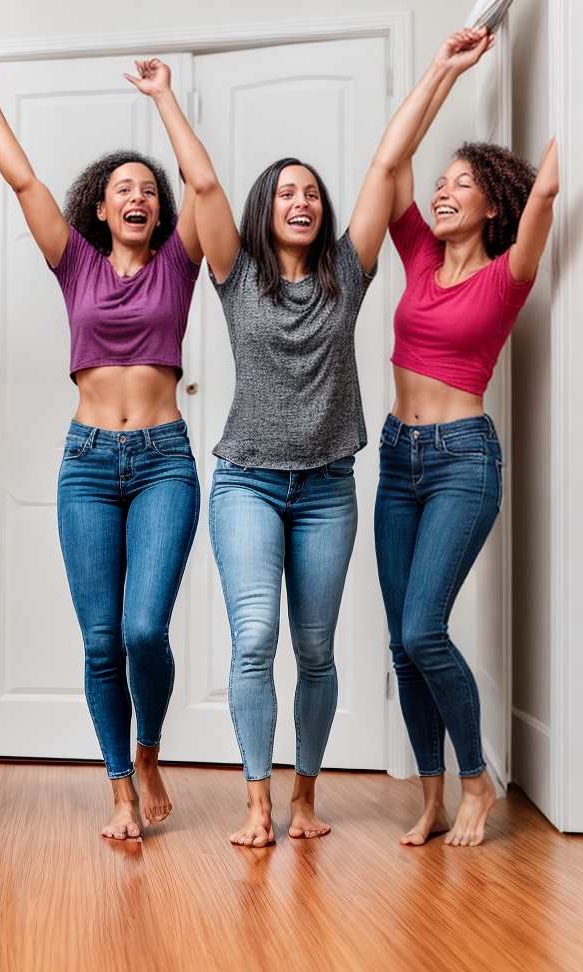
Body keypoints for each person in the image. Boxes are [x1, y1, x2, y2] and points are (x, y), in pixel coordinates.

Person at [128, 28, 497, 848]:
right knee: (255, 639)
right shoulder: (233, 272)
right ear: (267, 208)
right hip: (248, 482)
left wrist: (441, 69)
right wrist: (163, 99)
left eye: (311, 194)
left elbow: (382, 163)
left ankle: (304, 796)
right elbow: (204, 182)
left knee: (318, 650)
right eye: (287, 192)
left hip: (329, 485)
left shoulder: (349, 269)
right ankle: (257, 800)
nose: (302, 201)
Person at [0, 50, 203, 841]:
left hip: (165, 458)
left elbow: (203, 187)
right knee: (101, 640)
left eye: (147, 190)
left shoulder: (179, 262)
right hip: (88, 465)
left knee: (144, 632)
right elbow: (23, 180)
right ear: (99, 209)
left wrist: (164, 100)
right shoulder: (75, 265)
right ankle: (120, 787)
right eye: (122, 189)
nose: (138, 196)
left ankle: (152, 746)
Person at [375, 73, 558, 846]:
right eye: (442, 183)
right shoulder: (418, 255)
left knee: (424, 631)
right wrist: (444, 69)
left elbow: (547, 191)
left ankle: (476, 780)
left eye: (464, 185)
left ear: (493, 207)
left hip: (461, 463)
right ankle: (432, 797)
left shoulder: (507, 273)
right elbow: (390, 164)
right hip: (395, 458)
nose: (445, 193)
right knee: (401, 644)